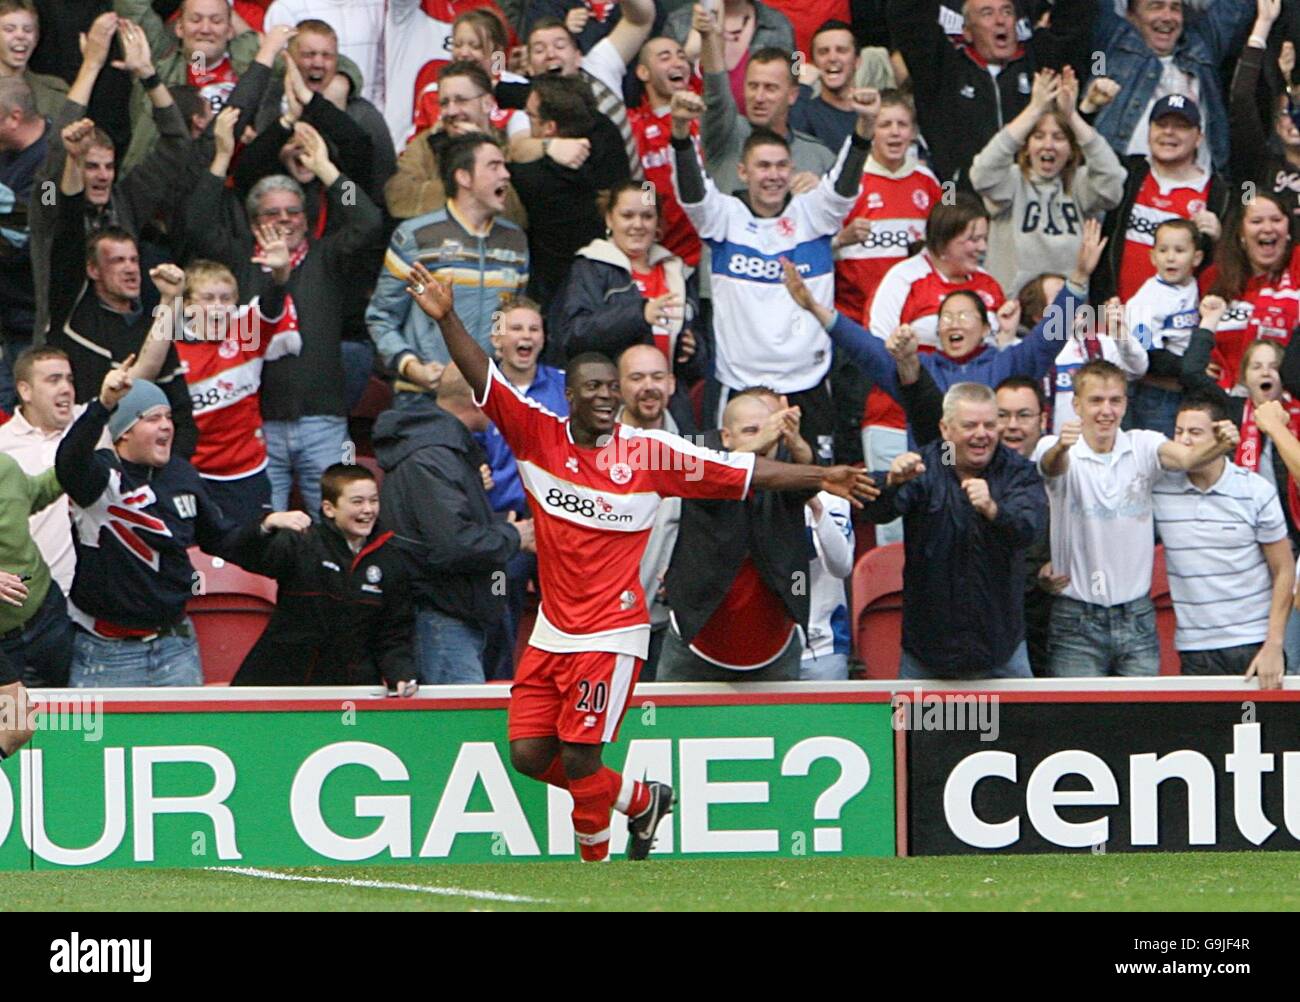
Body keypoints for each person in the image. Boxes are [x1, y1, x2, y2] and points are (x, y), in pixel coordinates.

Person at [403, 258, 876, 861]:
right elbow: (484, 379)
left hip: (612, 631)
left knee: (579, 756)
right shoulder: (536, 436)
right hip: (553, 631)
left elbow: (748, 471)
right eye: (593, 389)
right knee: (527, 754)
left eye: (612, 390)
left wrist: (822, 473)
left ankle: (595, 873)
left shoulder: (651, 454)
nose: (605, 398)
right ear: (568, 394)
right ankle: (640, 800)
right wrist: (446, 319)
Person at [188, 105, 384, 515]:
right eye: (272, 213)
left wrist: (326, 169)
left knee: (337, 529)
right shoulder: (241, 261)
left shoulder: (325, 256)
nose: (285, 220)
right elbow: (198, 222)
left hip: (324, 422)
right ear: (254, 219)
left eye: (293, 212)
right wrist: (222, 156)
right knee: (267, 534)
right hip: (258, 424)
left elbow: (366, 221)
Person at [672, 85, 875, 457]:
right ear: (743, 171)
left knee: (815, 486)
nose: (773, 175)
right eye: (763, 166)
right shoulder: (724, 217)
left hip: (809, 382)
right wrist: (681, 134)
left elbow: (844, 185)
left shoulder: (813, 214)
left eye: (782, 166)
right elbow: (692, 193)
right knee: (732, 485)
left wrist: (864, 126)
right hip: (739, 383)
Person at [55, 364, 258, 687]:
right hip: (107, 653)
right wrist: (104, 405)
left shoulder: (182, 474)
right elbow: (69, 460)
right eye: (152, 418)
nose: (166, 426)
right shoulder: (99, 478)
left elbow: (221, 538)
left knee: (182, 739)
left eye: (167, 417)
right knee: (106, 739)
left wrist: (266, 530)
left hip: (175, 645)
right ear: (124, 432)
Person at [1035, 358, 1239, 676]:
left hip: (1137, 616)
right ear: (1076, 404)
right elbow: (1050, 467)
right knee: (1075, 723)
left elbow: (1186, 458)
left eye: (1115, 400)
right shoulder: (1056, 447)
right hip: (1076, 618)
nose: (1107, 410)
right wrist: (1062, 447)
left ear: (1126, 403)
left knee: (1142, 722)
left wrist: (1219, 445)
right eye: (1096, 401)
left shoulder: (1143, 444)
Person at [862, 382, 1048, 678]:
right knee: (912, 726)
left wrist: (993, 510)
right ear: (945, 429)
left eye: (989, 424)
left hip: (1001, 650)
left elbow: (1030, 529)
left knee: (1018, 726)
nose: (982, 434)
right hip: (927, 653)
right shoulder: (924, 467)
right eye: (970, 425)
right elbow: (876, 512)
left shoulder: (1017, 470)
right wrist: (890, 482)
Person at [374, 362, 535, 686]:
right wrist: (511, 534)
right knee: (456, 728)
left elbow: (445, 526)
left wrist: (499, 522)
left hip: (454, 614)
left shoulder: (447, 450)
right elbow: (451, 545)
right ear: (480, 398)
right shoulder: (434, 456)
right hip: (440, 619)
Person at [46, 120, 197, 458]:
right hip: (92, 457)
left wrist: (177, 465)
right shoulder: (74, 309)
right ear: (92, 270)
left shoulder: (149, 321)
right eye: (117, 262)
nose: (130, 268)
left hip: (154, 464)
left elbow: (181, 410)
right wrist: (71, 160)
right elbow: (68, 227)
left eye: (133, 260)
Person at [660, 388, 820, 681]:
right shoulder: (697, 452)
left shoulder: (786, 467)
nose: (767, 438)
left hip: (776, 648)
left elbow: (811, 481)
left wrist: (797, 442)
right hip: (696, 644)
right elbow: (696, 475)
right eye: (751, 430)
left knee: (777, 728)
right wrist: (753, 447)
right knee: (667, 727)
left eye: (773, 429)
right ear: (725, 436)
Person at [227, 463, 419, 689]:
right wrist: (266, 524)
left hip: (349, 690)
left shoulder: (391, 560)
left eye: (373, 500)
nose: (368, 509)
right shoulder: (302, 542)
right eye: (357, 502)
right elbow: (243, 555)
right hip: (281, 684)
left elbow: (394, 634)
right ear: (329, 509)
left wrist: (401, 674)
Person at [369, 131, 528, 399]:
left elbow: (507, 310)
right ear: (463, 177)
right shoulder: (416, 236)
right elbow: (381, 317)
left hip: (489, 398)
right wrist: (410, 366)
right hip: (423, 397)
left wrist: (500, 349)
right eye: (494, 166)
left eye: (505, 165)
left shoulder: (515, 240)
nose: (506, 174)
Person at [1152, 393, 1293, 685]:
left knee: (1257, 726)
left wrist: (1274, 644)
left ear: (1221, 434)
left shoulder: (1255, 490)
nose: (1184, 441)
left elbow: (1284, 569)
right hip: (1194, 646)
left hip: (1253, 642)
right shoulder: (1160, 488)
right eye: (1178, 432)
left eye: (1195, 432)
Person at [549, 180, 706, 433]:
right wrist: (639, 315)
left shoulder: (677, 271)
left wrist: (692, 350)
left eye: (647, 216)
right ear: (609, 219)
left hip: (669, 409)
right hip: (608, 406)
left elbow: (699, 359)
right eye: (627, 215)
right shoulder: (590, 267)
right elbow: (572, 335)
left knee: (681, 471)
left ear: (658, 223)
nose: (638, 224)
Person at [886, 0, 1093, 185]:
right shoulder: (942, 70)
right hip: (962, 204)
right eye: (987, 13)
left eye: (1007, 11)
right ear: (966, 31)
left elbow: (1075, 22)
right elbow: (909, 17)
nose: (1000, 20)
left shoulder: (1039, 64)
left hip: (1030, 203)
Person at [969, 65, 1127, 300]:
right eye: (1038, 136)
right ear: (1026, 145)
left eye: (1059, 137)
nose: (1048, 145)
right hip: (1011, 313)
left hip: (1067, 313)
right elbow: (982, 173)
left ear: (1071, 149)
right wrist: (1034, 109)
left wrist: (1072, 116)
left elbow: (1113, 182)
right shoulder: (1011, 179)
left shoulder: (1081, 183)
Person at [174, 240, 299, 527]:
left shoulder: (246, 332)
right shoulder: (170, 348)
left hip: (248, 473)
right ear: (188, 305)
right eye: (209, 298)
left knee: (257, 556)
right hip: (196, 473)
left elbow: (271, 306)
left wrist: (280, 275)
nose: (219, 307)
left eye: (226, 298)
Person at [477, 299, 567, 680]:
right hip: (506, 523)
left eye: (533, 329)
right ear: (498, 338)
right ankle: (495, 693)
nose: (526, 336)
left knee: (566, 614)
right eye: (516, 328)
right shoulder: (480, 386)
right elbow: (457, 439)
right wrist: (471, 470)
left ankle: (561, 689)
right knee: (499, 610)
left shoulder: (564, 385)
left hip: (557, 521)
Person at [1091, 0, 1257, 174]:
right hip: (1124, 189)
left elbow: (1236, 7)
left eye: (1175, 8)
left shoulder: (1202, 47)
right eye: (1155, 6)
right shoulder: (1113, 44)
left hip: (1195, 192)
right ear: (1131, 16)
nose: (1167, 17)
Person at [510, 74, 630, 308]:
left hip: (555, 295)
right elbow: (645, 187)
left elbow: (508, 159)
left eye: (531, 117)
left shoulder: (532, 178)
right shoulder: (607, 136)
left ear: (550, 127)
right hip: (612, 284)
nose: (527, 121)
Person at [1095, 94, 1229, 303]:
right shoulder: (1127, 173)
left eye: (1181, 126)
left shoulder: (1220, 193)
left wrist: (1221, 240)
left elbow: (1236, 265)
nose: (1169, 132)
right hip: (1112, 315)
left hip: (1177, 327)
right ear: (1149, 132)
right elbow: (1085, 151)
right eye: (1161, 124)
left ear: (1199, 138)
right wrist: (1087, 109)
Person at [692, 6, 834, 199]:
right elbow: (716, 92)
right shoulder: (726, 135)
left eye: (770, 88)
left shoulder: (819, 156)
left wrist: (823, 194)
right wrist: (709, 38)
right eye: (752, 86)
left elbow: (845, 213)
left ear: (792, 95)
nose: (758, 97)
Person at [830, 88, 941, 327]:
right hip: (853, 318)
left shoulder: (928, 181)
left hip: (911, 320)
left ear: (912, 132)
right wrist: (841, 238)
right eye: (885, 124)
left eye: (902, 124)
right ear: (872, 131)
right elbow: (817, 244)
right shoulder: (849, 179)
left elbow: (944, 243)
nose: (894, 132)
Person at [384, 60, 528, 223]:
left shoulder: (510, 146)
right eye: (444, 103)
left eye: (461, 100)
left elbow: (516, 216)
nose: (451, 111)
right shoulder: (426, 143)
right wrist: (475, 190)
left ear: (487, 103)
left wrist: (483, 150)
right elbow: (397, 198)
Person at [616, 343, 680, 680]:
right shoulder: (589, 448)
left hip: (667, 627)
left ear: (671, 383)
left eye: (657, 376)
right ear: (619, 386)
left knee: (659, 724)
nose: (648, 386)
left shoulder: (692, 452)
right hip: (603, 625)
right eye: (637, 377)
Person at [0, 347, 80, 594]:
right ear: (25, 391)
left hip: (88, 599)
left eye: (69, 379)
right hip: (29, 597)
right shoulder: (3, 445)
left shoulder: (92, 431)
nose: (65, 388)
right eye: (53, 380)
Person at [1202, 191, 1300, 391]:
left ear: (1289, 229)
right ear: (1241, 232)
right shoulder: (1213, 279)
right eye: (1256, 221)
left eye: (1276, 220)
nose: (1267, 228)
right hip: (1223, 400)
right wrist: (1198, 362)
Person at [1122, 217, 1203, 436]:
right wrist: (1194, 370)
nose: (1170, 258)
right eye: (1163, 250)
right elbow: (1147, 354)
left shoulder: (1197, 286)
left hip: (1188, 391)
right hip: (1157, 395)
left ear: (1196, 257)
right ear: (1152, 256)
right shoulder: (1145, 300)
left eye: (1179, 250)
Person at [627, 35, 701, 267]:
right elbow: (640, 186)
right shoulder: (632, 125)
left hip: (710, 249)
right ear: (643, 73)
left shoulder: (705, 118)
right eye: (664, 57)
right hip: (662, 257)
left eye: (681, 56)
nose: (678, 63)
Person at [0, 74, 49, 410]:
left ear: (14, 117)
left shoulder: (53, 159)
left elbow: (36, 231)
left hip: (35, 321)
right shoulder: (5, 152)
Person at [1228, 2, 1300, 216]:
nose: (1294, 121)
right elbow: (1241, 98)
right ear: (1276, 124)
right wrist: (1263, 25)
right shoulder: (1258, 168)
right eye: (1286, 113)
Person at [665, 0, 794, 113]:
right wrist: (690, 53)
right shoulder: (678, 22)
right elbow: (663, 85)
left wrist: (804, 70)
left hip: (761, 132)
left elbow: (795, 73)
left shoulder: (777, 24)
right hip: (696, 128)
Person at [800, 490, 854, 680]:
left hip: (822, 647)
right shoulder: (743, 496)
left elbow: (841, 566)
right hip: (764, 649)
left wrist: (817, 508)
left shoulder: (830, 498)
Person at [788, 20, 861, 152]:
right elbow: (786, 141)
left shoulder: (873, 111)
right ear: (814, 63)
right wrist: (803, 87)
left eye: (841, 50)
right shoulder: (805, 111)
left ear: (857, 61)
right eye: (823, 52)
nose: (832, 58)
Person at [0, 0, 67, 119]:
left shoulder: (54, 91)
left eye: (28, 30)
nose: (20, 35)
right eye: (9, 29)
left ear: (36, 38)